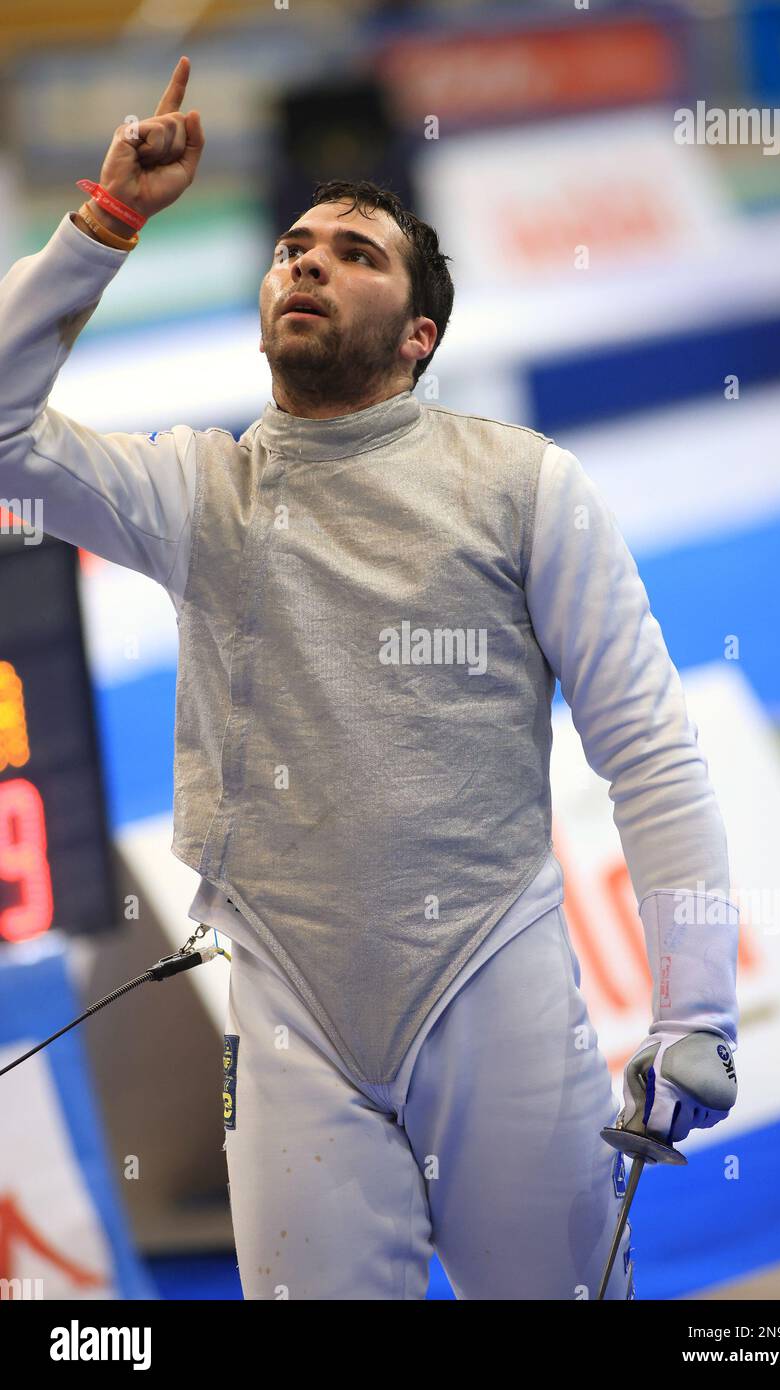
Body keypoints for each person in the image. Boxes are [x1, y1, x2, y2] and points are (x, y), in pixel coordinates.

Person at [0, 56, 739, 1300]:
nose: (309, 261)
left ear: (418, 333)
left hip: (491, 985)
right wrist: (105, 221)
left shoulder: (523, 489)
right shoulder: (198, 492)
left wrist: (698, 1008)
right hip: (289, 1012)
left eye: (355, 252)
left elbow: (651, 750)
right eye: (295, 244)